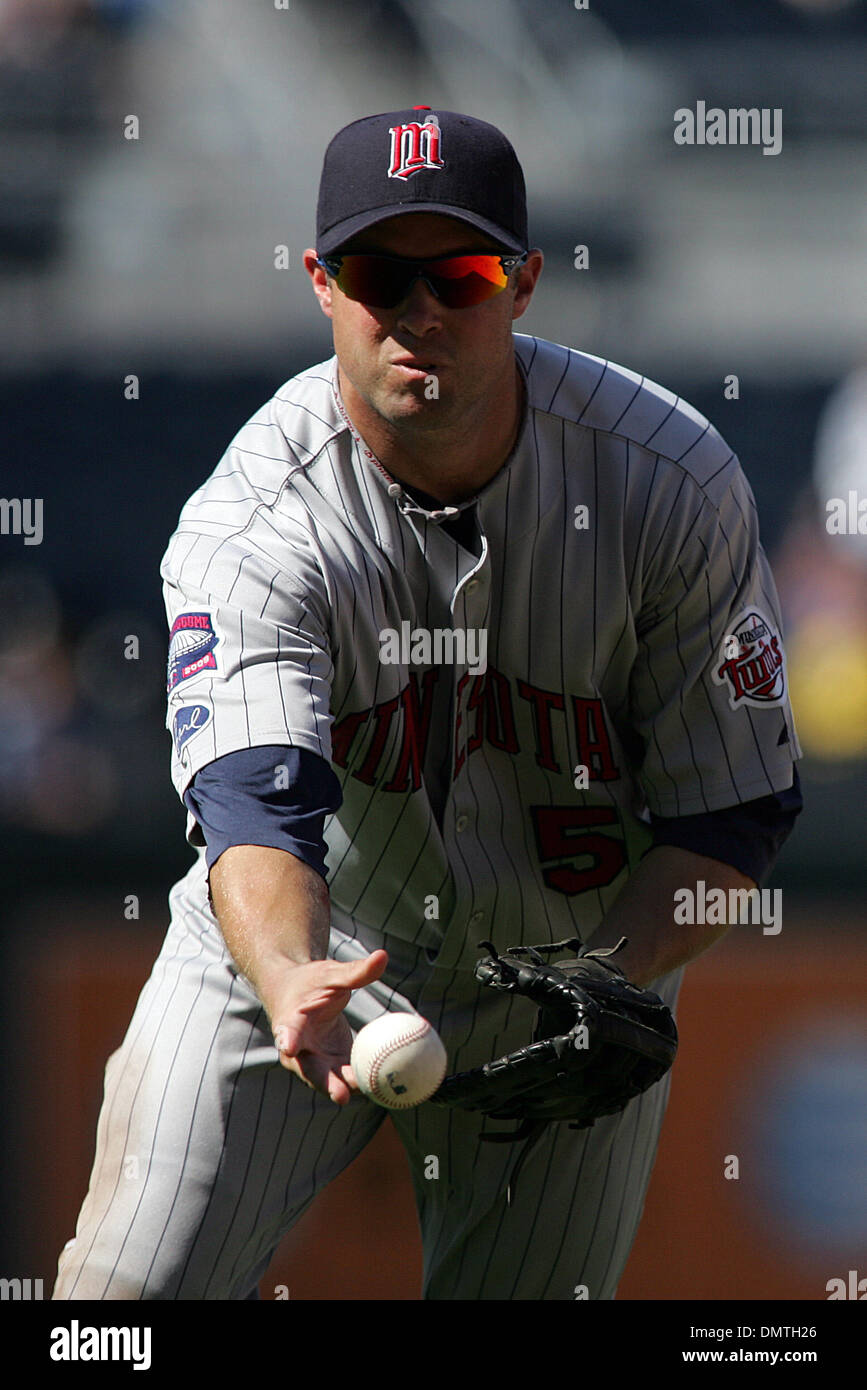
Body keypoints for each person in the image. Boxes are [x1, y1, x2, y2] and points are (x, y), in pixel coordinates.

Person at [53, 106, 802, 1301]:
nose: (418, 309)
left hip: (576, 971)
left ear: (524, 284)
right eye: (375, 272)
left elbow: (736, 816)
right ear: (319, 284)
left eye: (457, 273)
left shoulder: (668, 480)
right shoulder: (256, 522)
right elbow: (257, 808)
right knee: (121, 1311)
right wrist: (293, 974)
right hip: (302, 954)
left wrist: (617, 973)